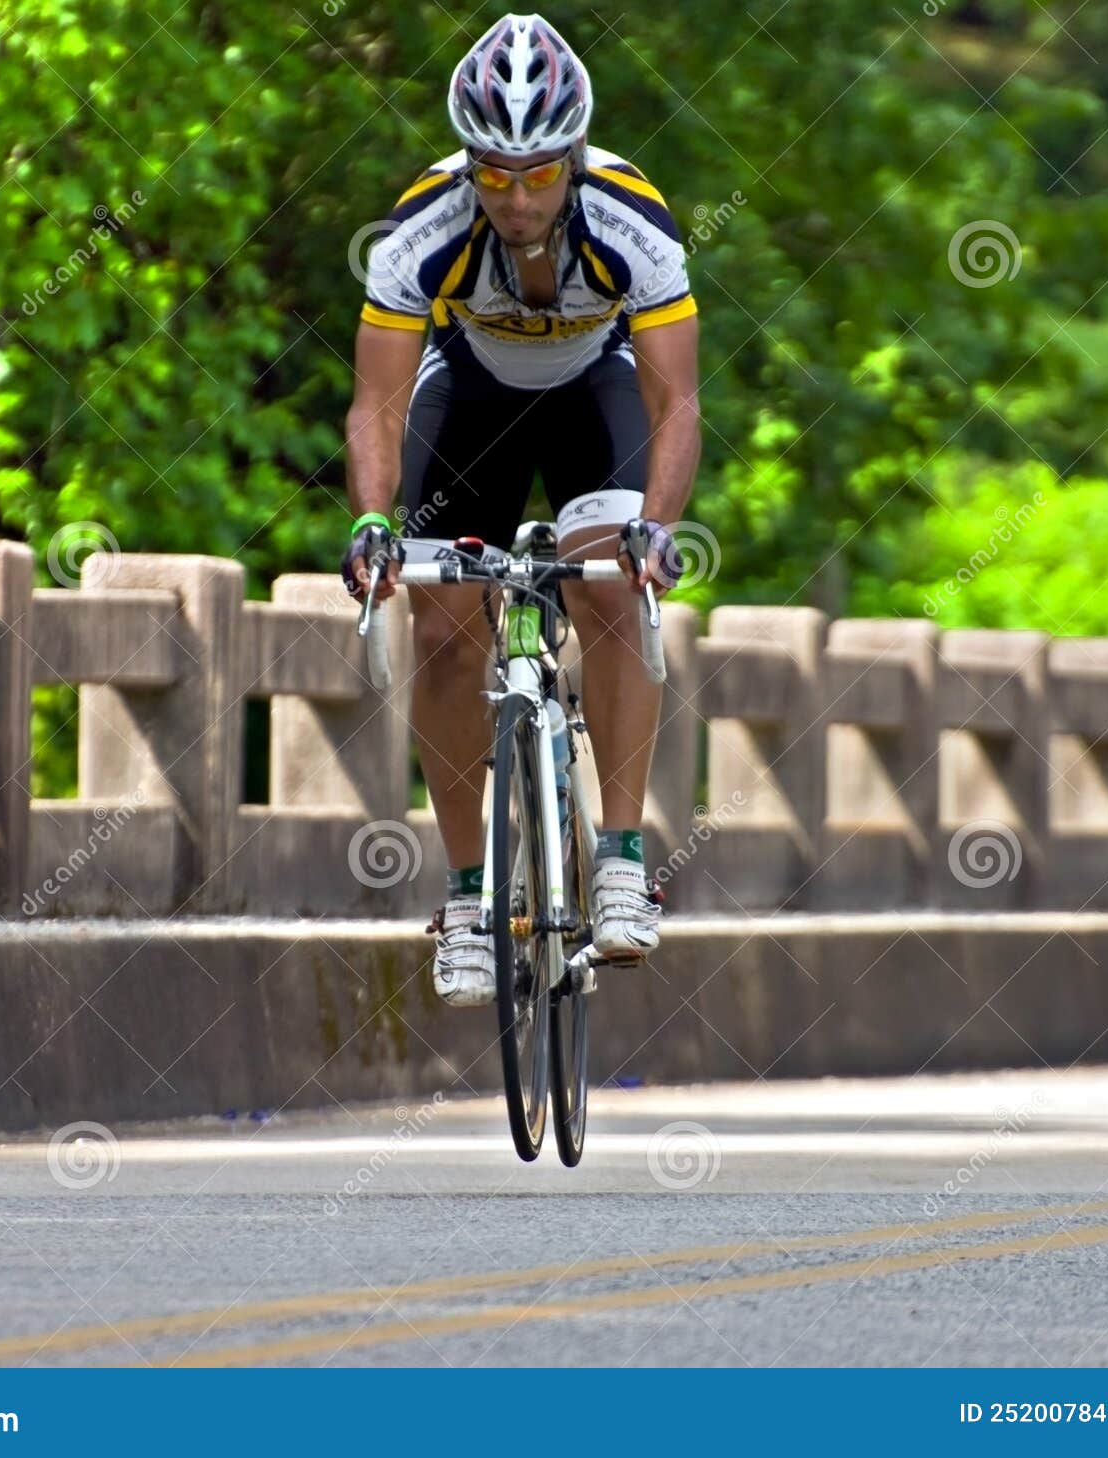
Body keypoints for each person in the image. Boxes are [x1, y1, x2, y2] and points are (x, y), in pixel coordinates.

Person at [341, 12, 700, 1007]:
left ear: (573, 161)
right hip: (473, 403)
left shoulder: (634, 221)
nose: (515, 196)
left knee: (613, 584)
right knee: (444, 625)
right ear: (470, 165)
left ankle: (620, 861)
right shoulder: (422, 227)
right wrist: (373, 524)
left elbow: (677, 405)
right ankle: (466, 901)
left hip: (597, 395)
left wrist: (655, 526)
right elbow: (375, 402)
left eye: (537, 174)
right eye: (494, 174)